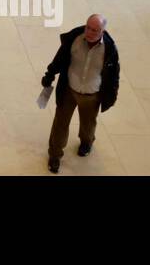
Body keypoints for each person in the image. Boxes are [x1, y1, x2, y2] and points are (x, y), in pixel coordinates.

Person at [41, 14, 119, 173]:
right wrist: (49, 75)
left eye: (95, 30)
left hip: (91, 95)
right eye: (88, 28)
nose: (90, 32)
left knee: (88, 124)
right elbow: (59, 59)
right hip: (69, 89)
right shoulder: (74, 39)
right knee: (60, 124)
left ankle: (86, 142)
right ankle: (55, 155)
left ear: (102, 31)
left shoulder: (109, 49)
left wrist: (112, 96)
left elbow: (113, 75)